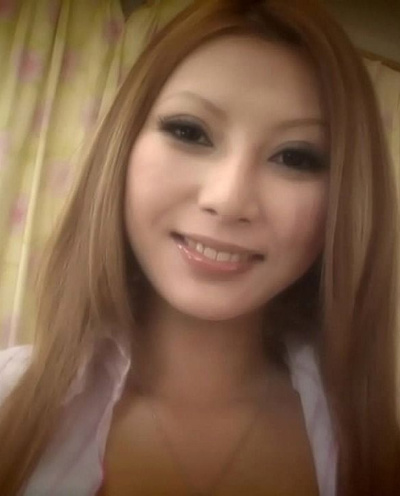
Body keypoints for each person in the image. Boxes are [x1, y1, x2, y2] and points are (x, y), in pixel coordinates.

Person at [0, 0, 399, 494]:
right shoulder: (8, 401)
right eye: (189, 131)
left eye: (295, 157)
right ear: (122, 148)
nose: (228, 200)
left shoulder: (371, 449)